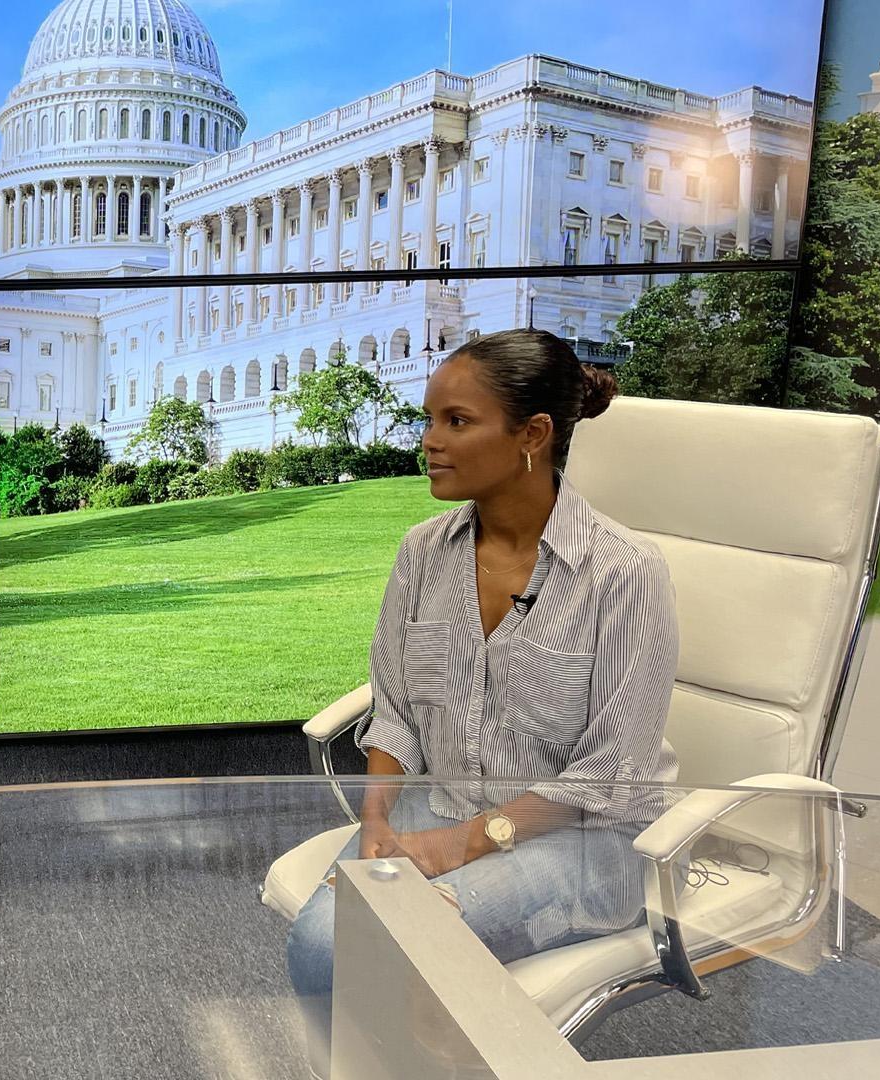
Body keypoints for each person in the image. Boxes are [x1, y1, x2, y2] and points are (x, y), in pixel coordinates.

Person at [285, 328, 679, 1066]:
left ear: (533, 434)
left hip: (584, 842)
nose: (429, 441)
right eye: (428, 419)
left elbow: (611, 774)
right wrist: (377, 820)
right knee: (321, 943)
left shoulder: (625, 573)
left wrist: (460, 845)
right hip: (435, 807)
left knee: (388, 948)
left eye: (456, 422)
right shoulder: (422, 552)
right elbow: (396, 710)